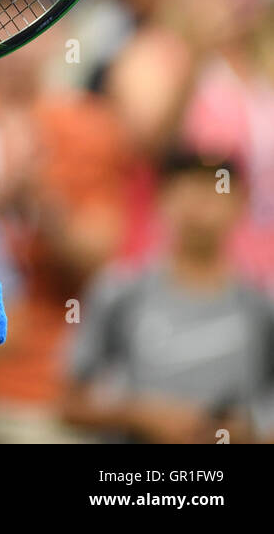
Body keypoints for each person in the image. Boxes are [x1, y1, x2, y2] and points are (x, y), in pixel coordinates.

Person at [63, 151, 274, 444]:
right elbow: (69, 403)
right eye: (186, 190)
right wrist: (140, 415)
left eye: (213, 191)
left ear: (241, 203)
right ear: (160, 199)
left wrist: (245, 433)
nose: (200, 204)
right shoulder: (120, 291)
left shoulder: (261, 308)